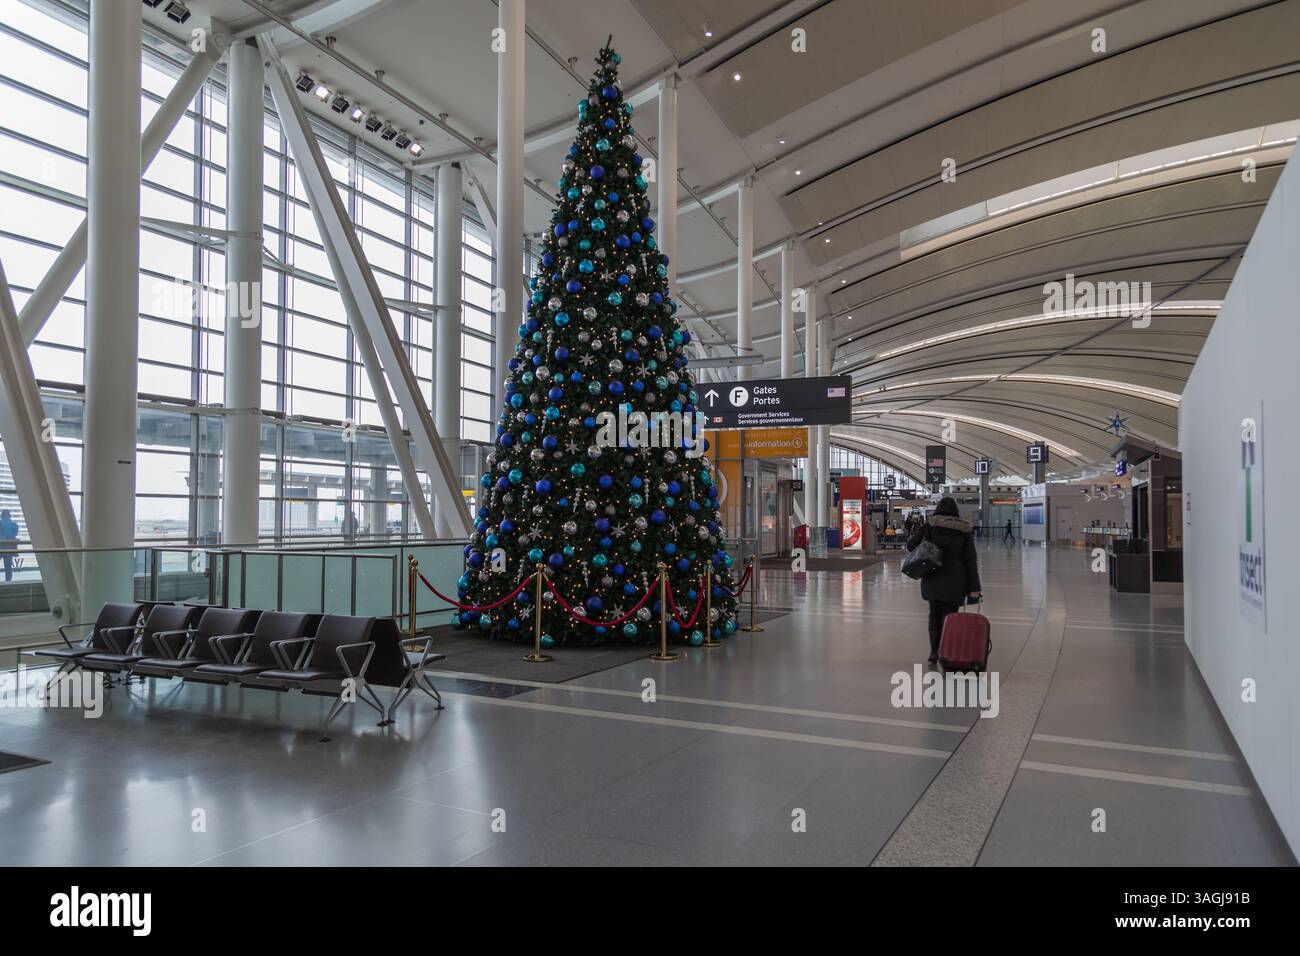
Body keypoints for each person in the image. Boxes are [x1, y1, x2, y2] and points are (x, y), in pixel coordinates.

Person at [906, 497, 981, 665]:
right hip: (956, 579)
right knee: (950, 617)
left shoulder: (930, 526)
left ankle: (934, 652)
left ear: (938, 509)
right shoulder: (964, 530)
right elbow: (970, 560)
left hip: (933, 575)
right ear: (956, 511)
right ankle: (947, 652)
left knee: (934, 615)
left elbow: (911, 545)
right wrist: (974, 587)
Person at [0, 510, 19, 582]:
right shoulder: (14, 524)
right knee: (8, 566)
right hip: (9, 547)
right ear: (9, 515)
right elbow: (15, 534)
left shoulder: (0, 523)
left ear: (2, 515)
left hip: (1, 546)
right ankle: (8, 581)